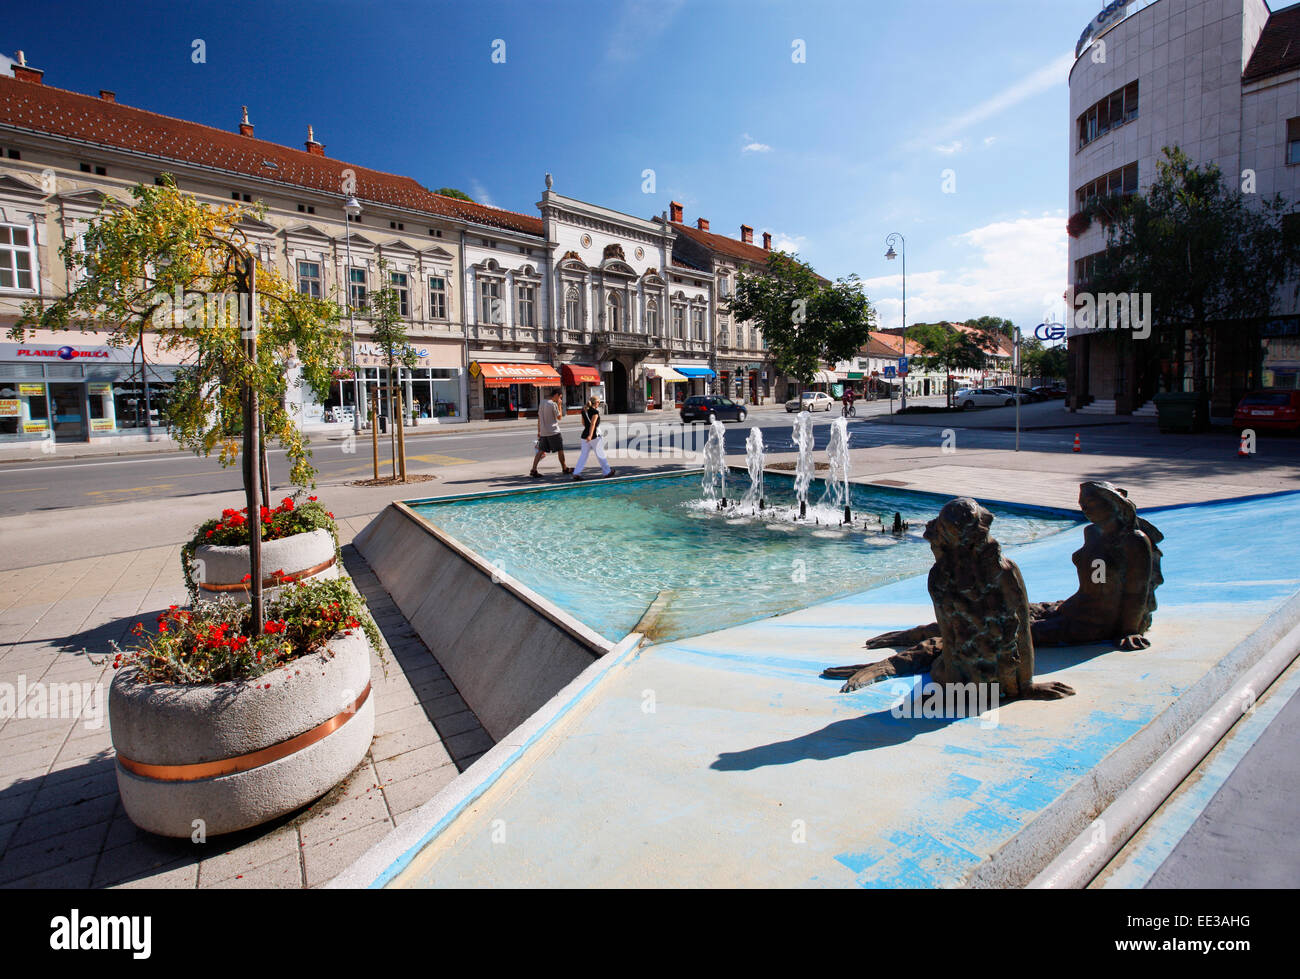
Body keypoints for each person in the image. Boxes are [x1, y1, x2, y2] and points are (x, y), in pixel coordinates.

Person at [572, 394, 615, 481]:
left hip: (584, 435)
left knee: (583, 455)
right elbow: (593, 424)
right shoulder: (595, 412)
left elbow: (583, 423)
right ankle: (607, 472)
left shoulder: (584, 411)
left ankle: (576, 473)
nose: (599, 404)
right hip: (594, 436)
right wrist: (590, 435)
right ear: (596, 403)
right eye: (599, 402)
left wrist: (587, 434)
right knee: (600, 454)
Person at [530, 388, 570, 478]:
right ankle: (564, 468)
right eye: (560, 397)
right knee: (560, 450)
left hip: (544, 431)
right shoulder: (553, 404)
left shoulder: (542, 403)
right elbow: (559, 417)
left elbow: (539, 418)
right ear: (556, 395)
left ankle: (533, 469)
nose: (560, 399)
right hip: (554, 431)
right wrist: (559, 405)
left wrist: (539, 431)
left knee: (540, 451)